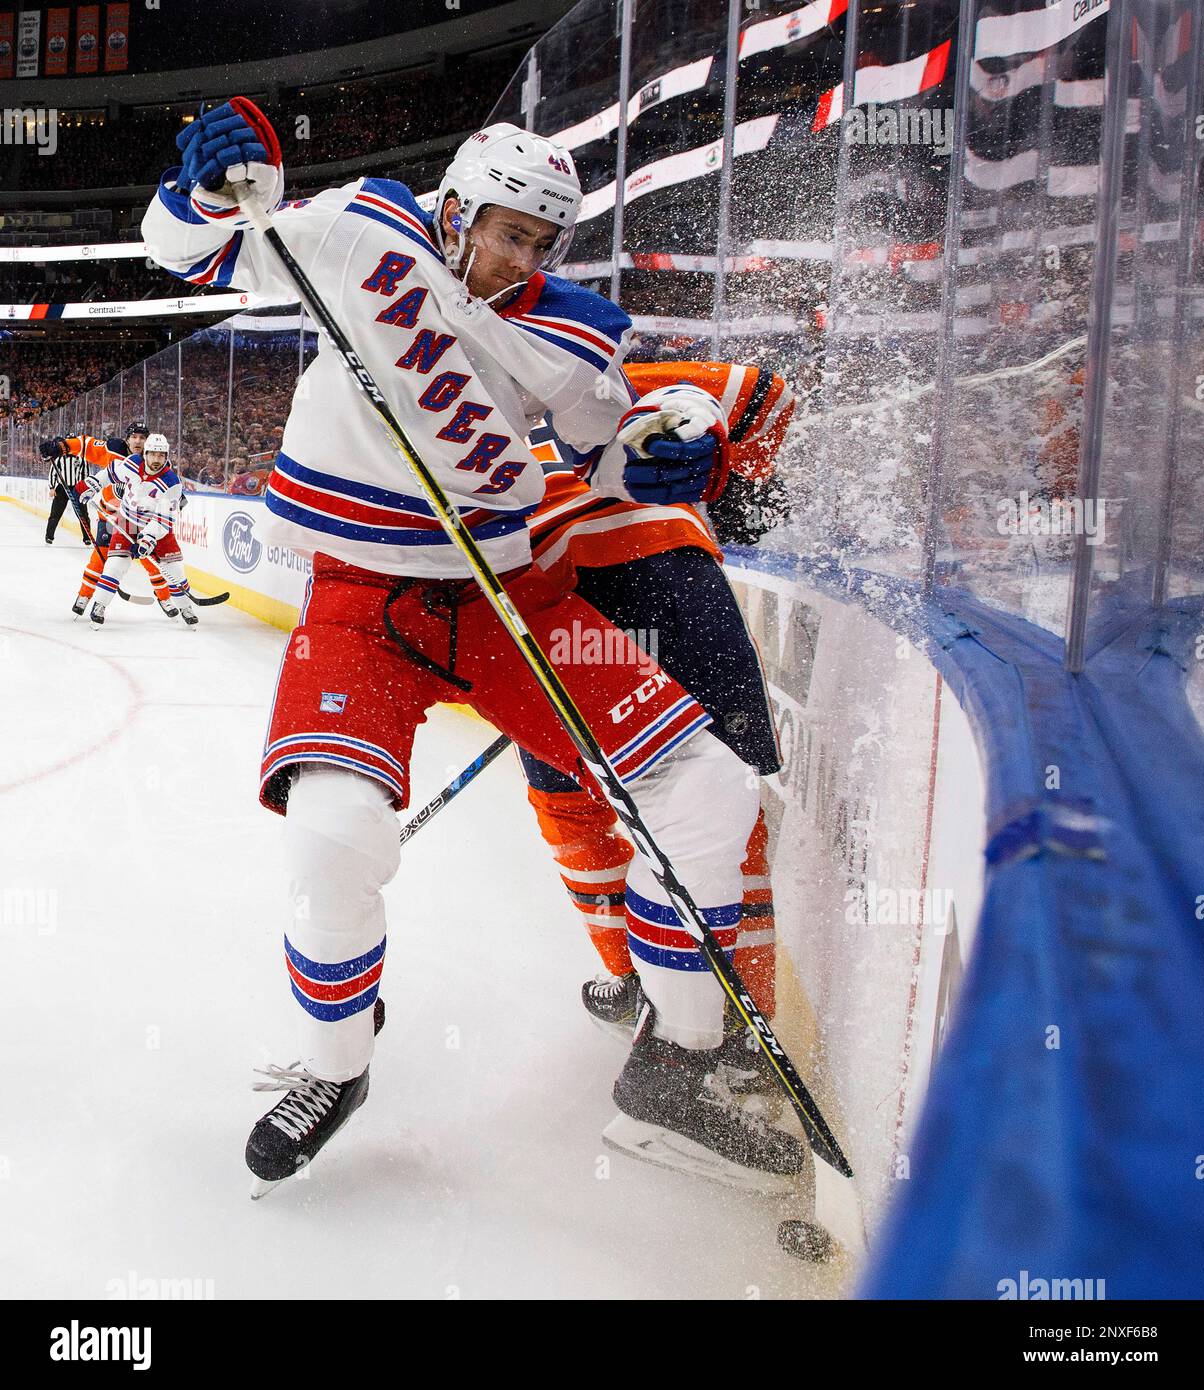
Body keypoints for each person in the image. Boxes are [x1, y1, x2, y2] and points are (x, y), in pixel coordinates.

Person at [141, 99, 804, 1195]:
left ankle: (676, 1067)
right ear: (454, 209)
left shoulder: (573, 324)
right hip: (362, 609)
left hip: (513, 606)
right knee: (331, 840)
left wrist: (670, 455)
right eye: (506, 233)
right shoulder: (364, 233)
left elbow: (608, 449)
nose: (520, 260)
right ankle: (334, 1066)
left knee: (706, 786)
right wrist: (213, 189)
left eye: (541, 244)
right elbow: (187, 253)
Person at [521, 359, 794, 1087]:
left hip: (547, 614)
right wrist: (729, 489)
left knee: (575, 810)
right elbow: (764, 397)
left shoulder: (440, 408)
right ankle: (743, 1029)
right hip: (668, 578)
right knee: (721, 815)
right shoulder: (604, 373)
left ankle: (636, 984)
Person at [83, 433, 197, 628]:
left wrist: (147, 540)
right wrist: (94, 485)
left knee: (174, 570)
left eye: (161, 455)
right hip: (127, 521)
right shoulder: (132, 463)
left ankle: (186, 607)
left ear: (166, 456)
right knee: (115, 565)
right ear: (146, 453)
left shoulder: (172, 482)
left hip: (156, 527)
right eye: (153, 454)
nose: (156, 460)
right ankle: (99, 605)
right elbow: (110, 473)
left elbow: (163, 520)